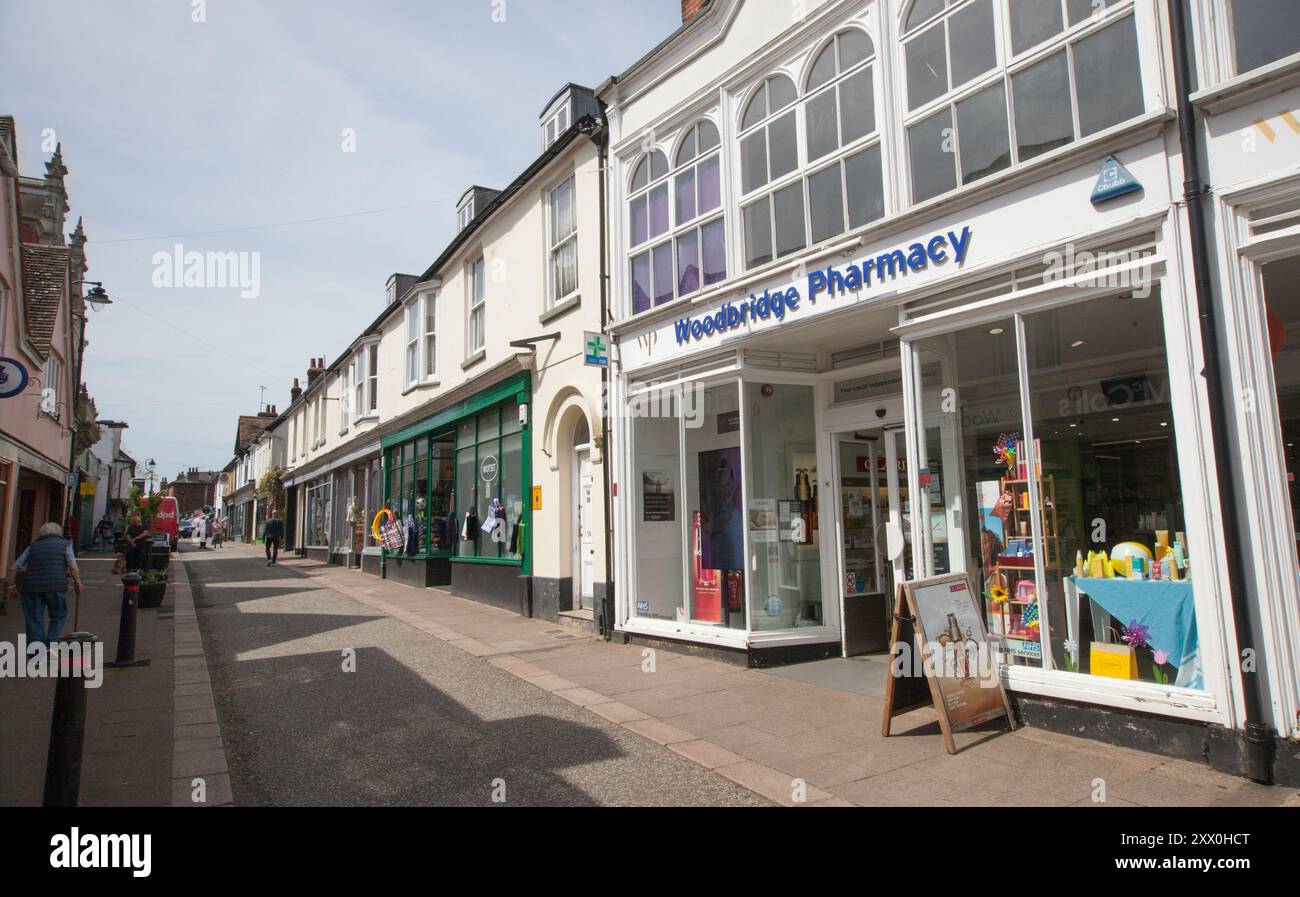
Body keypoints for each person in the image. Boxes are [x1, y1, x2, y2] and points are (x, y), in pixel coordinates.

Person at [13, 522, 83, 654]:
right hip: (56, 585)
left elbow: (16, 566)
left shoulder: (32, 547)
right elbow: (72, 566)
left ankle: (36, 652)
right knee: (59, 615)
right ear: (59, 533)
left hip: (31, 587)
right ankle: (52, 643)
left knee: (34, 618)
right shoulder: (65, 545)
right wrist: (77, 582)